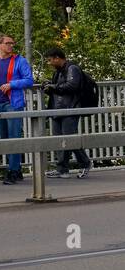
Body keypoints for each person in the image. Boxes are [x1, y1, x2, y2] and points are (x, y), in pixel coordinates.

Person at [0, 34, 34, 185]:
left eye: (12, 43)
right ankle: (15, 169)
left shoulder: (20, 60)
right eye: (8, 43)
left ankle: (13, 170)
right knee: (3, 138)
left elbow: (29, 80)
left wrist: (12, 84)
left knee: (14, 137)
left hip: (13, 103)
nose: (11, 46)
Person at [43, 47, 92, 179]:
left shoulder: (72, 68)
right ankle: (62, 169)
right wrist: (49, 87)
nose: (49, 63)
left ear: (57, 58)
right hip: (57, 109)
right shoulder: (58, 72)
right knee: (60, 140)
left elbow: (73, 85)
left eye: (50, 60)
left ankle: (85, 164)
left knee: (70, 139)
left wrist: (55, 87)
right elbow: (58, 88)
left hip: (70, 109)